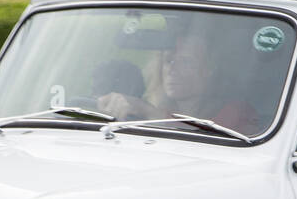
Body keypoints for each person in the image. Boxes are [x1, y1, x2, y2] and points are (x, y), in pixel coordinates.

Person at [96, 33, 262, 135]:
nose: (172, 70)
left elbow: (205, 142)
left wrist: (146, 111)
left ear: (209, 69)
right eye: (169, 61)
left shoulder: (237, 112)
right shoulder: (160, 108)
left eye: (186, 62)